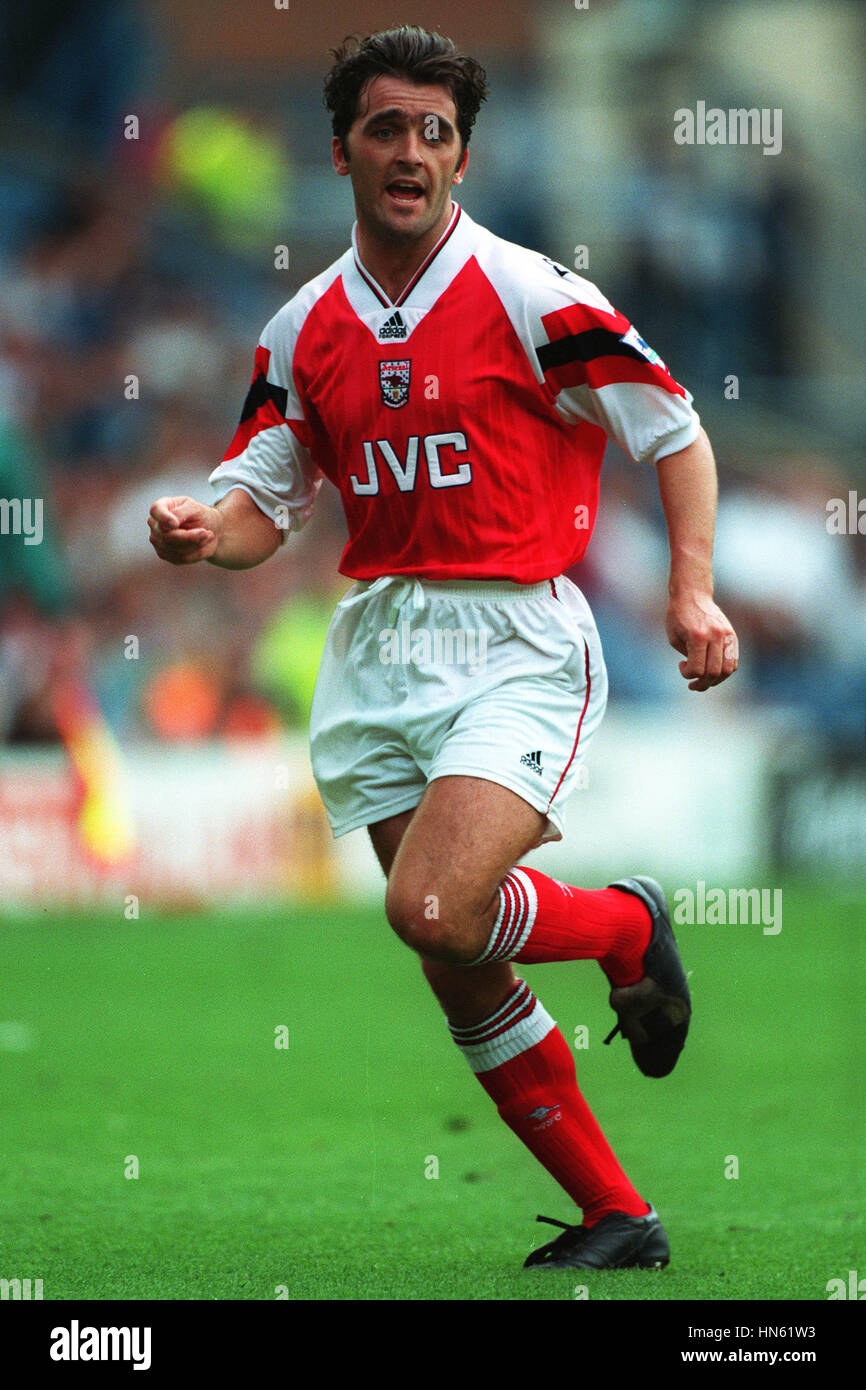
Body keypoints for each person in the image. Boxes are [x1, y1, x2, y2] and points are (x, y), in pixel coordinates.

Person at [148, 26, 738, 1271]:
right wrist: (207, 531)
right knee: (454, 957)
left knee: (433, 907)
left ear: (461, 156)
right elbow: (266, 496)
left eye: (433, 132)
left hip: (513, 635)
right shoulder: (303, 325)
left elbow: (673, 430)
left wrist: (690, 591)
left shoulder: (535, 295)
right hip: (376, 648)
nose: (409, 153)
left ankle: (628, 933)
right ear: (342, 151)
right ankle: (614, 1215)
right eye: (384, 129)